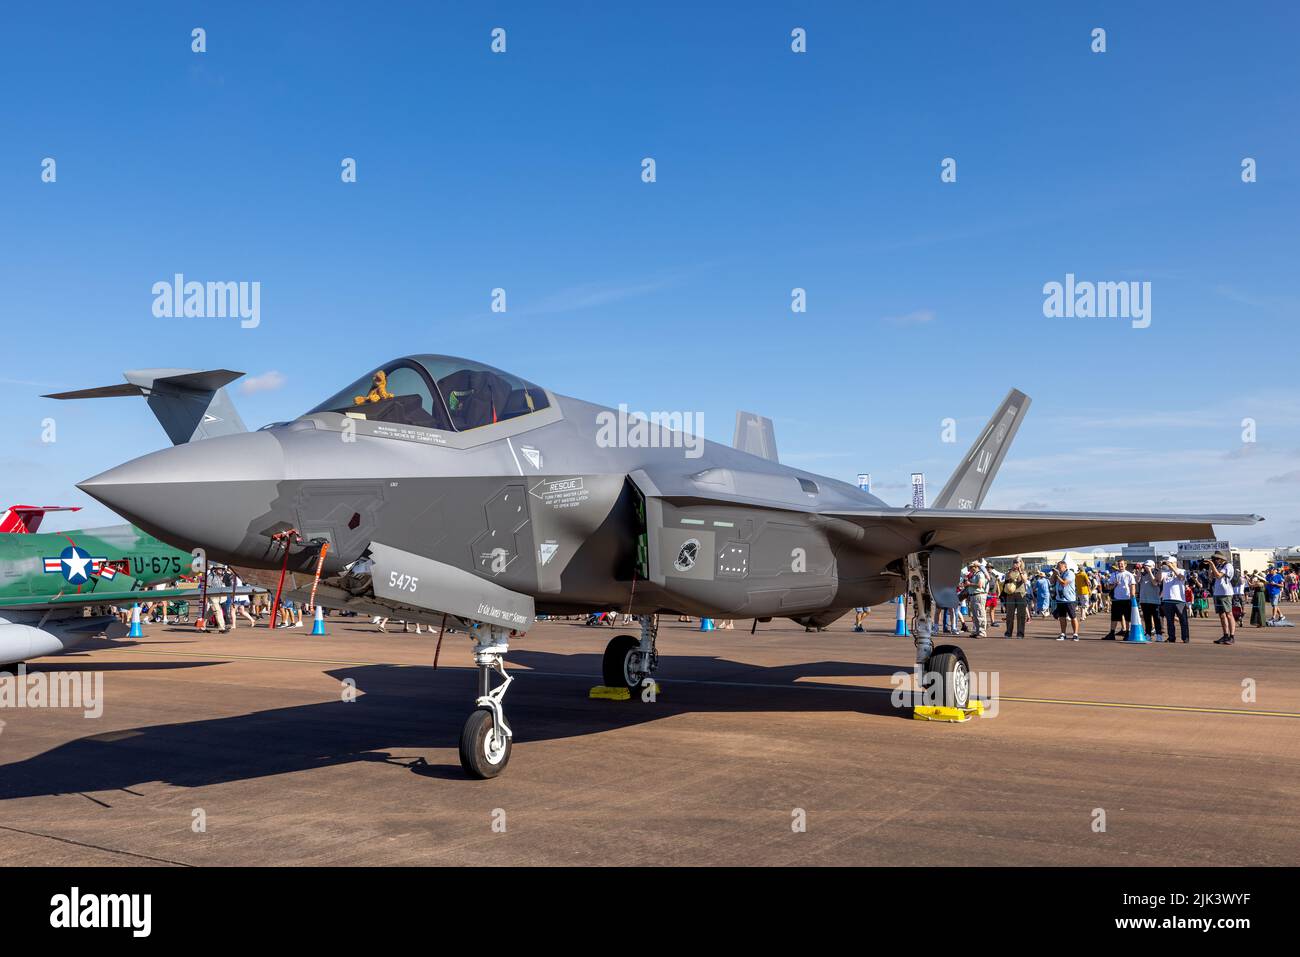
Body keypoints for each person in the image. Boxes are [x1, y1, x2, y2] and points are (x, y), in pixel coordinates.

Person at [1207, 552, 1237, 645]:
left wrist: (1212, 565)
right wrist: (1210, 567)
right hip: (1217, 592)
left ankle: (1232, 636)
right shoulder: (1219, 566)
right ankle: (1225, 635)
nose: (1215, 560)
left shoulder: (1228, 566)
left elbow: (1219, 576)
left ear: (1221, 558)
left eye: (1216, 559)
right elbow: (1211, 577)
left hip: (1226, 593)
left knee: (1229, 614)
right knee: (1222, 615)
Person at [1158, 556, 1190, 643]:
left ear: (1175, 563)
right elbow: (1158, 580)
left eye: (1170, 563)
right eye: (1168, 563)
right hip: (1167, 599)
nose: (1168, 564)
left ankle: (1185, 637)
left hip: (1179, 600)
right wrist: (1160, 568)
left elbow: (1181, 578)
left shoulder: (1182, 571)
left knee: (1183, 620)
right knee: (1169, 621)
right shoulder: (1165, 572)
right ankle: (1171, 637)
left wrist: (1172, 567)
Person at [1103, 560, 1136, 640]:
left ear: (1125, 565)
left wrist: (1133, 597)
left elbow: (1132, 586)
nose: (1120, 566)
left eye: (1121, 564)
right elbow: (1109, 587)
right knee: (1114, 617)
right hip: (1117, 599)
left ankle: (1127, 633)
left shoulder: (1129, 575)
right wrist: (1115, 584)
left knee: (1127, 617)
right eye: (1119, 564)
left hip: (1127, 599)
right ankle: (1112, 633)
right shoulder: (1114, 575)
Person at [1001, 558, 1030, 638]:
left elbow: (1024, 581)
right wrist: (1012, 570)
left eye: (1017, 562)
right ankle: (1008, 633)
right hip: (1011, 594)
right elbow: (1006, 578)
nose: (1015, 563)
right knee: (1009, 614)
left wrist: (1020, 571)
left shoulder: (1023, 572)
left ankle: (1020, 633)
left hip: (1021, 594)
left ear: (1021, 563)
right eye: (1014, 562)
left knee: (1021, 615)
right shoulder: (1009, 571)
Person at [1136, 560, 1164, 640]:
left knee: (1156, 618)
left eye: (1148, 566)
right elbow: (1137, 581)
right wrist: (1139, 570)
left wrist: (1149, 572)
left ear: (1152, 566)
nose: (1146, 567)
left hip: (1154, 600)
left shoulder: (1156, 572)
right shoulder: (1142, 573)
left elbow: (1155, 583)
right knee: (1146, 618)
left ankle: (1159, 634)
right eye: (1145, 566)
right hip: (1144, 600)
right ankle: (1148, 633)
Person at [1052, 561, 1079, 640]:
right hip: (1060, 599)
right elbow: (1051, 582)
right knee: (1062, 617)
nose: (1058, 569)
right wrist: (1054, 574)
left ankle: (1075, 634)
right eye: (1057, 567)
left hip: (1069, 599)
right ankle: (1063, 633)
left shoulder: (1070, 573)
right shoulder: (1058, 574)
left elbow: (1064, 583)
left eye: (1059, 567)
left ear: (1065, 567)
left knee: (1072, 616)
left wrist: (1057, 576)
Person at [962, 561, 990, 638]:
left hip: (979, 595)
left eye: (971, 567)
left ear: (975, 567)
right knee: (975, 615)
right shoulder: (974, 575)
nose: (969, 568)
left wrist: (969, 584)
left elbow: (980, 585)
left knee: (980, 614)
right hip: (973, 595)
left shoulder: (980, 574)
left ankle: (982, 632)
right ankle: (977, 631)